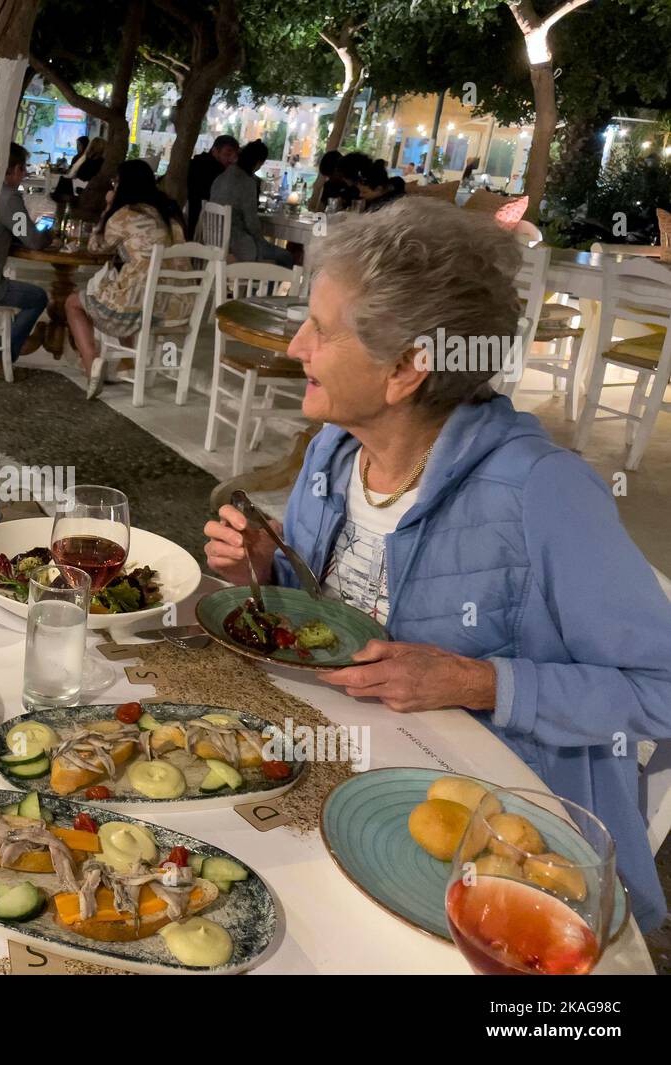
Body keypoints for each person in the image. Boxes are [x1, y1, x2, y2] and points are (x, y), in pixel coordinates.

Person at [202, 199, 671, 934]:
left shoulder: (543, 492)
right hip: (342, 782)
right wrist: (265, 573)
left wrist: (477, 679)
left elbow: (661, 688)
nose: (296, 346)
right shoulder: (334, 449)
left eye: (321, 331)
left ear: (408, 369)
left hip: (503, 865)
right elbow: (333, 621)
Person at [63, 159, 189, 399]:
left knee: (73, 302)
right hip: (175, 305)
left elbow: (95, 246)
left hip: (142, 307)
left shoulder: (125, 214)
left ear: (123, 184)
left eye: (116, 182)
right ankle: (127, 363)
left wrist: (107, 207)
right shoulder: (169, 212)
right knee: (126, 288)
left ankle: (92, 368)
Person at [0, 142, 52, 365]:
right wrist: (49, 234)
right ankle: (2, 355)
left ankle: (1, 346)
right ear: (14, 169)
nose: (25, 174)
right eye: (23, 168)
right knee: (38, 297)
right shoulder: (9, 197)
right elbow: (33, 240)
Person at [208, 139, 293, 268]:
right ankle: (260, 288)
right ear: (258, 163)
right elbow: (251, 223)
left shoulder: (222, 176)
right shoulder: (247, 182)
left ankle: (254, 288)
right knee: (286, 257)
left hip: (213, 241)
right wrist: (262, 240)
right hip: (237, 245)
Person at [185, 133, 239, 239]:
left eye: (234, 156)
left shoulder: (194, 163)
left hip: (190, 225)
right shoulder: (218, 173)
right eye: (227, 154)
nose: (231, 159)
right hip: (207, 229)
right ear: (215, 150)